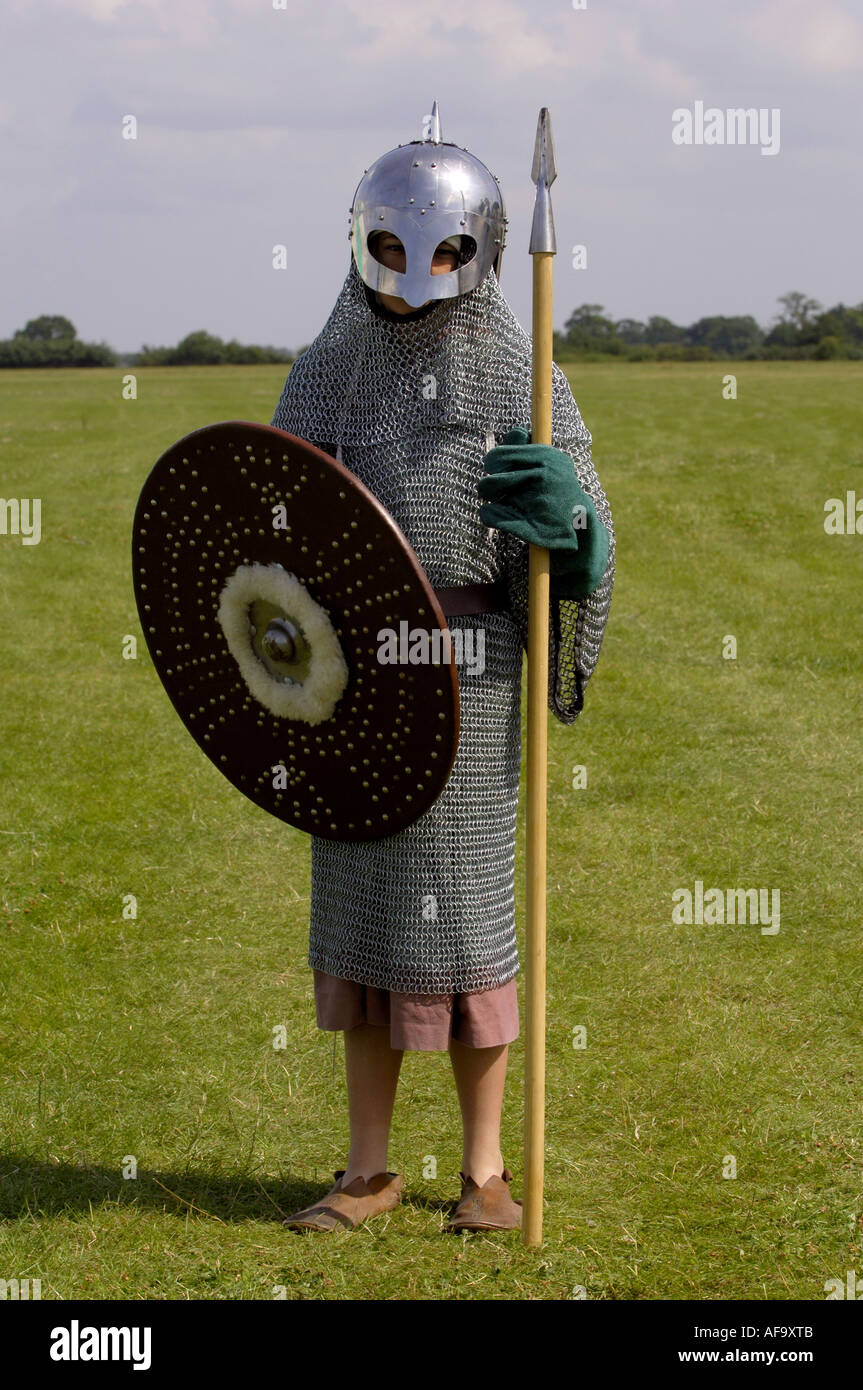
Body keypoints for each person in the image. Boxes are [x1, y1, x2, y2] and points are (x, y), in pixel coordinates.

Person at [271, 106, 614, 1233]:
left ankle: (483, 1174)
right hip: (358, 684)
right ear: (358, 239)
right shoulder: (324, 376)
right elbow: (276, 539)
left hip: (472, 678)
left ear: (485, 251)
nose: (412, 275)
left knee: (471, 934)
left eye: (442, 251)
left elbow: (584, 543)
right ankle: (367, 1169)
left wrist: (573, 536)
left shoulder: (527, 376)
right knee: (365, 932)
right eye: (389, 248)